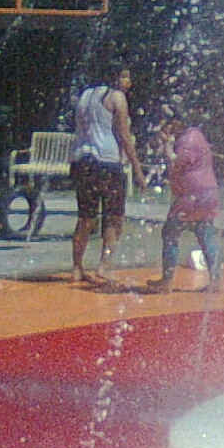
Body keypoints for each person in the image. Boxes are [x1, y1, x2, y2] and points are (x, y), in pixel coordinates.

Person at [69, 65, 146, 284]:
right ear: (114, 78)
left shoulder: (84, 96)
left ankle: (76, 267)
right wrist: (137, 168)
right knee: (114, 217)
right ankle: (104, 266)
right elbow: (124, 135)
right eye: (124, 77)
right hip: (108, 162)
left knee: (85, 218)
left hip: (81, 162)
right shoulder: (116, 98)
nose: (128, 82)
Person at [144, 113, 222, 293]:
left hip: (191, 196)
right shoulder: (198, 136)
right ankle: (216, 280)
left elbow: (176, 162)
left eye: (168, 125)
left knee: (170, 233)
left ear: (177, 123)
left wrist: (165, 145)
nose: (167, 129)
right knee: (206, 234)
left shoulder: (187, 141)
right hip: (208, 192)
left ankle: (167, 280)